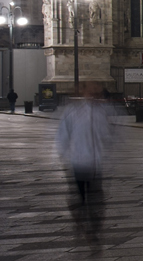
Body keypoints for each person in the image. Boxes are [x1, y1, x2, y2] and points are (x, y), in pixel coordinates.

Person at [56, 80, 113, 229]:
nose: (95, 95)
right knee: (82, 193)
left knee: (95, 194)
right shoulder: (72, 111)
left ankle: (93, 227)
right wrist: (63, 154)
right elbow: (62, 134)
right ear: (84, 92)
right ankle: (80, 213)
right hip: (78, 160)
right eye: (92, 91)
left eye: (97, 92)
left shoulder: (100, 112)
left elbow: (106, 134)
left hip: (95, 161)